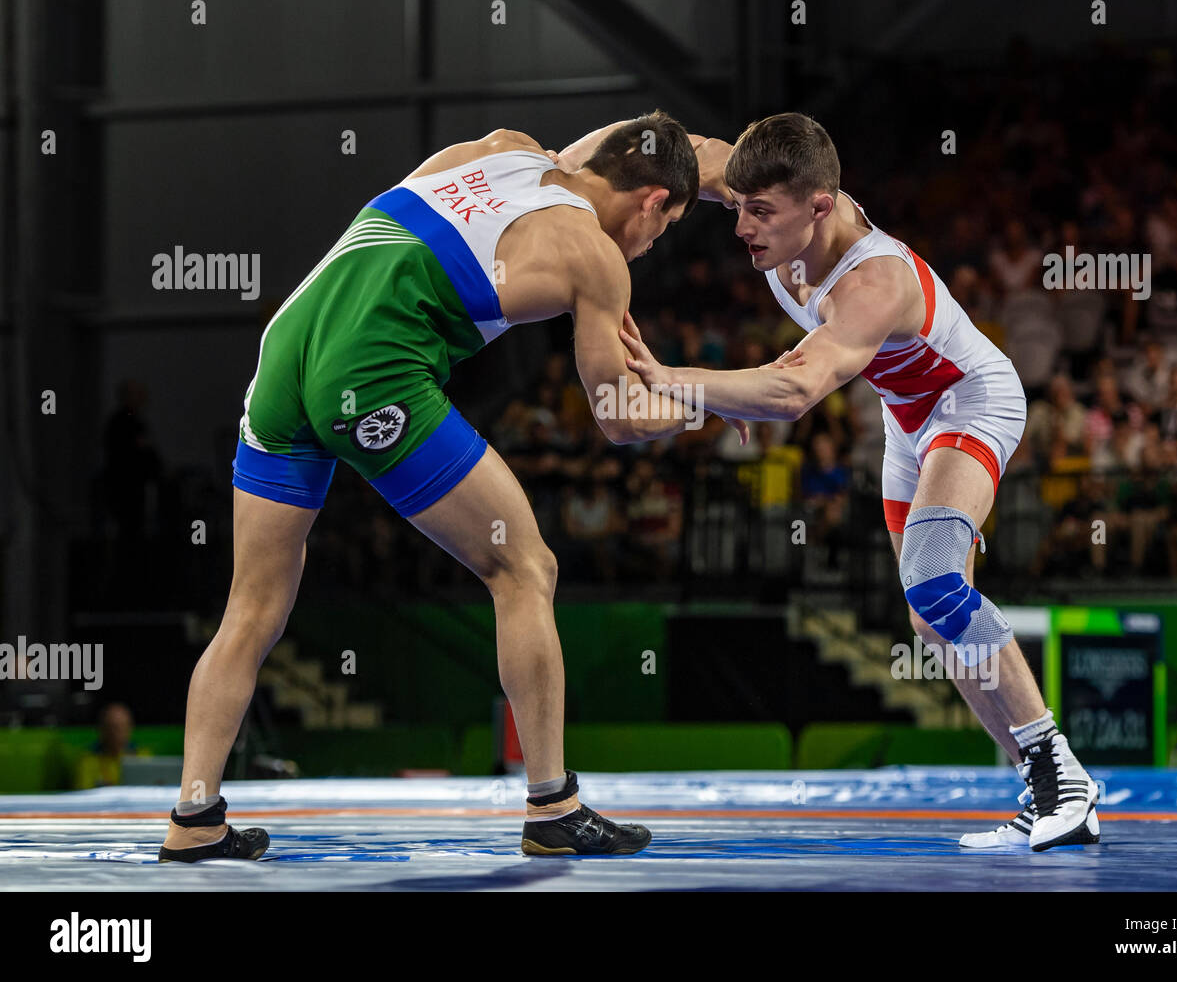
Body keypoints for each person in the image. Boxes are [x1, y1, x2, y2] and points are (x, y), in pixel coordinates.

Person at [160, 112, 750, 863]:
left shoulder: (505, 149)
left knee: (252, 606)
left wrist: (722, 184)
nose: (651, 244)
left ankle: (194, 814)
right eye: (663, 227)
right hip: (368, 371)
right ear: (652, 203)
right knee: (525, 567)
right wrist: (713, 396)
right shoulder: (595, 258)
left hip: (287, 348)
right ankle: (552, 804)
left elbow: (655, 141)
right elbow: (620, 418)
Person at [622, 113, 1100, 851]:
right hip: (908, 420)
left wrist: (678, 380)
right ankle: (1048, 792)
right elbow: (671, 145)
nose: (741, 227)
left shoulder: (875, 280)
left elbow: (794, 393)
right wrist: (554, 172)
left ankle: (1062, 777)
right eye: (738, 206)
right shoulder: (759, 185)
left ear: (820, 206)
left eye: (761, 214)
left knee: (936, 582)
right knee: (929, 616)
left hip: (971, 398)